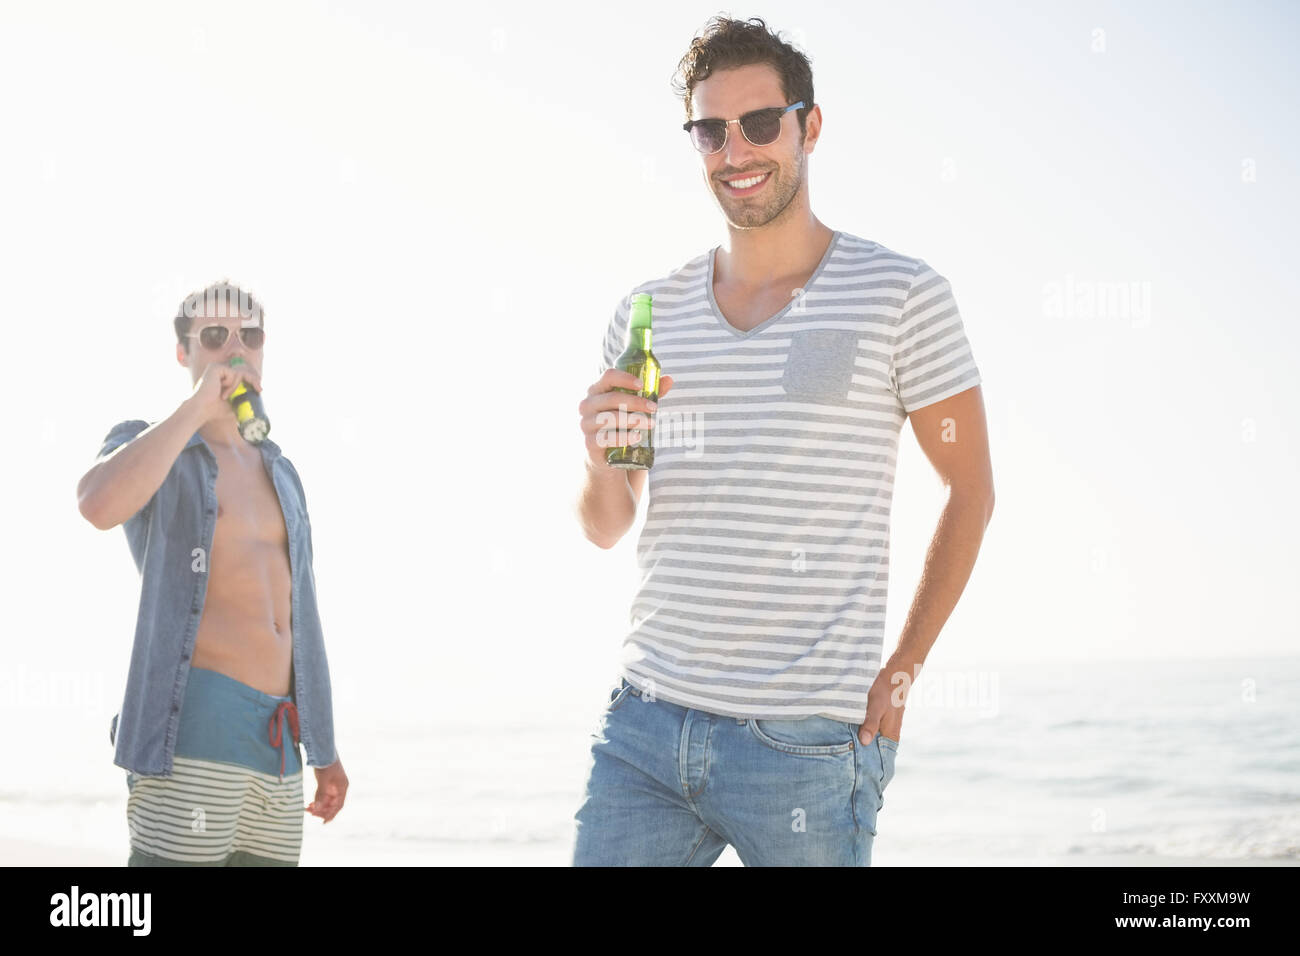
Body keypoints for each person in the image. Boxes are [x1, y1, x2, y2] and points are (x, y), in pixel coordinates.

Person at [572, 17, 995, 866]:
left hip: (805, 746)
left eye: (760, 122)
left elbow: (970, 490)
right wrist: (599, 456)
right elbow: (607, 524)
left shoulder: (901, 295)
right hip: (646, 727)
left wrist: (905, 666)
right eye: (710, 130)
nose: (736, 150)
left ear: (809, 125)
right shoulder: (647, 313)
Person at [76, 280, 348, 866]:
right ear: (184, 352)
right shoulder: (152, 445)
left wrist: (324, 748)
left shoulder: (284, 473)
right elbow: (97, 504)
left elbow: (303, 618)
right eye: (215, 335)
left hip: (277, 749)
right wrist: (198, 407)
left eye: (248, 335)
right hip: (194, 730)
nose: (234, 349)